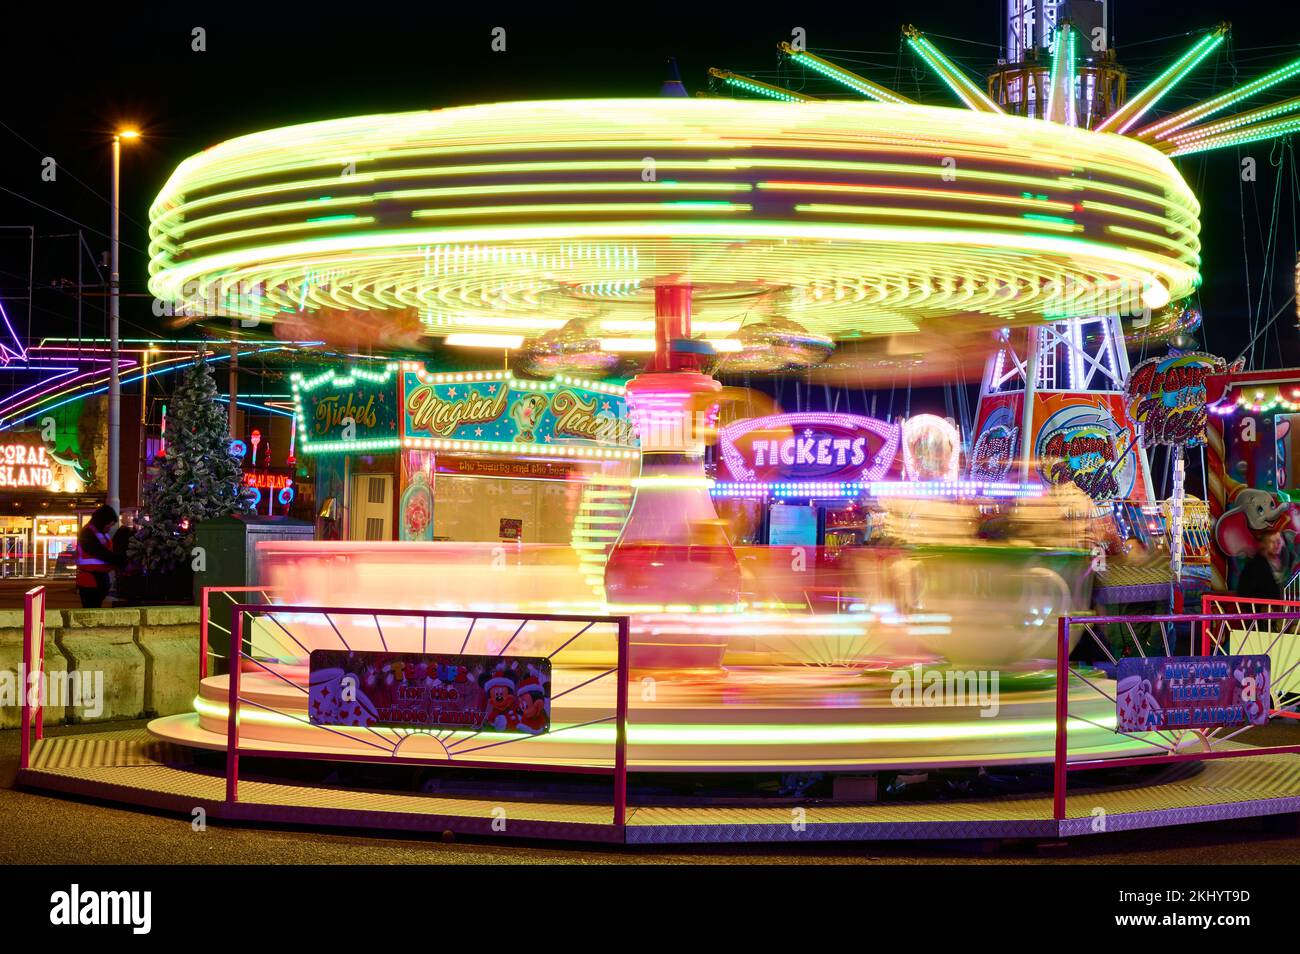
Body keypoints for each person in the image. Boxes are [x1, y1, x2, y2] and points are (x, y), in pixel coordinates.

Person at [77, 505, 124, 608]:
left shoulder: (100, 532)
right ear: (103, 521)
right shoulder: (87, 533)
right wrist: (121, 561)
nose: (110, 528)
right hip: (89, 580)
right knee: (91, 611)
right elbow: (101, 552)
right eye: (109, 524)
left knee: (95, 609)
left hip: (98, 579)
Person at [1234, 529, 1291, 600]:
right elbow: (1245, 593)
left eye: (1279, 540)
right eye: (1272, 541)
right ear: (1263, 544)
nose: (1277, 544)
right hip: (1263, 608)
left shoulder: (1286, 560)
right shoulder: (1254, 566)